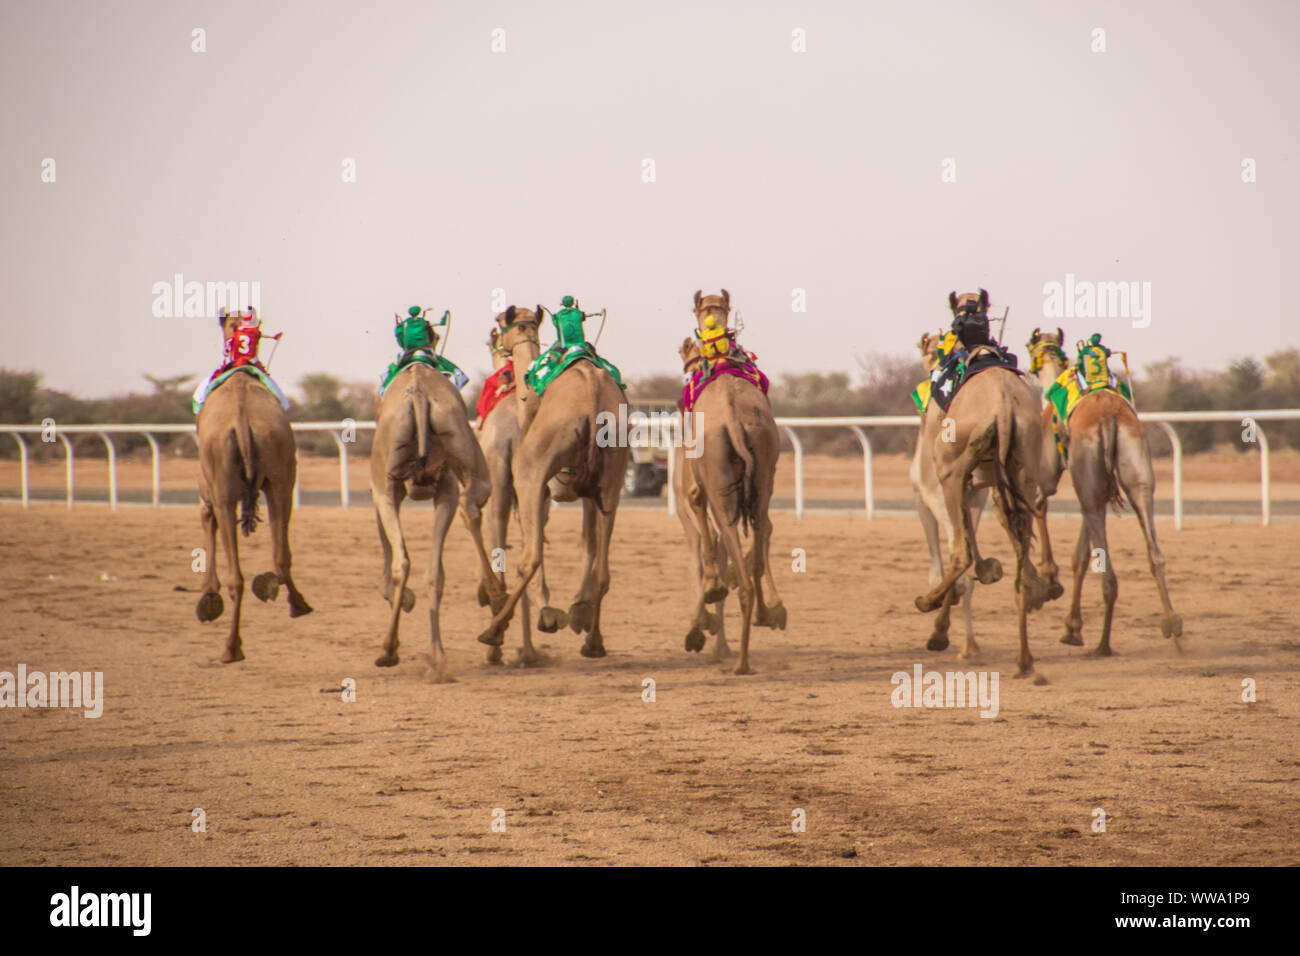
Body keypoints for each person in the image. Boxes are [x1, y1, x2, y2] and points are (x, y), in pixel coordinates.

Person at [192, 307, 289, 412]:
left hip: (230, 367)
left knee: (199, 397)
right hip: (253, 367)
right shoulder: (253, 331)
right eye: (233, 325)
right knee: (283, 403)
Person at [381, 306, 469, 393]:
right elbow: (432, 339)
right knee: (440, 360)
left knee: (394, 369)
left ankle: (384, 388)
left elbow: (400, 341)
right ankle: (459, 375)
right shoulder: (425, 323)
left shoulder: (403, 325)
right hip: (425, 354)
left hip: (408, 356)